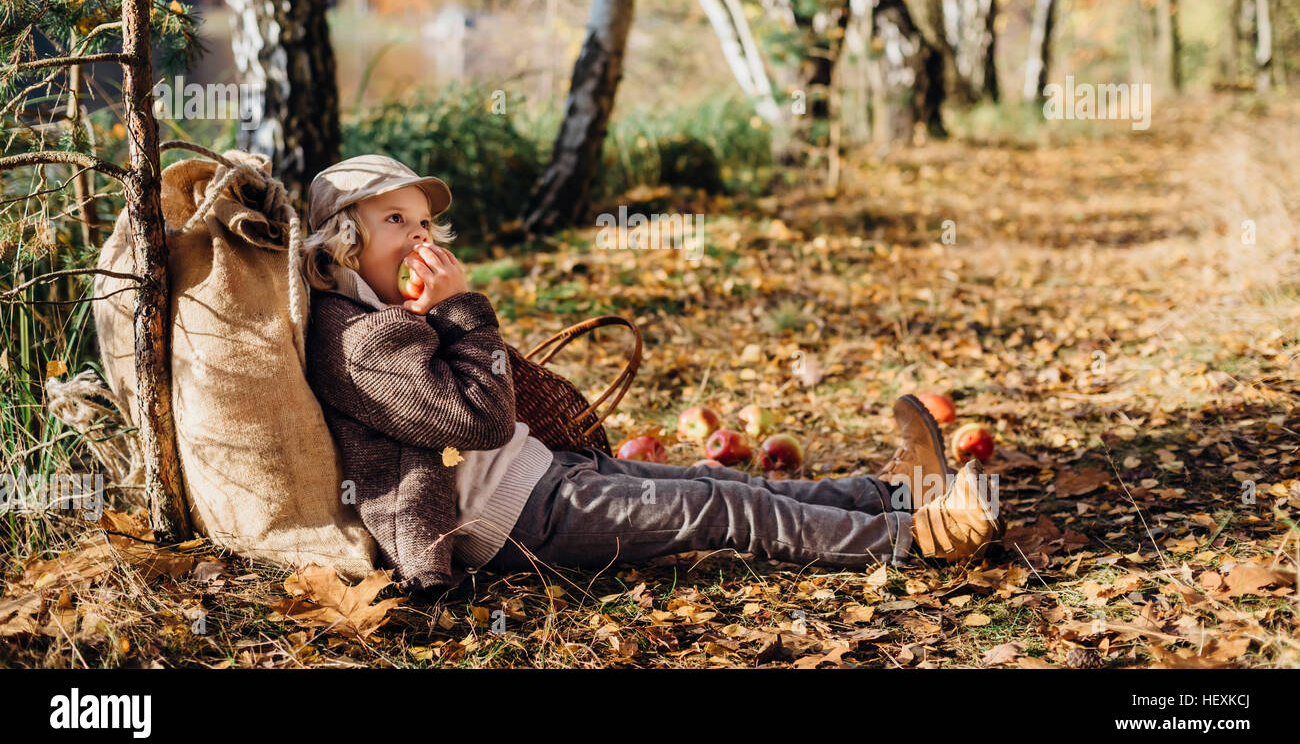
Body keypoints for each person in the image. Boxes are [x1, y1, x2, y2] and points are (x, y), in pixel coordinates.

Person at [301, 155, 1006, 597]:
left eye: (425, 223)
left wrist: (445, 313)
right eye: (397, 219)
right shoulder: (358, 341)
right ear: (343, 240)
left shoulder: (383, 310)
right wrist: (460, 307)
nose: (421, 238)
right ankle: (918, 537)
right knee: (719, 512)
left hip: (542, 474)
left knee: (729, 482)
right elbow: (478, 417)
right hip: (514, 519)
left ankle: (892, 494)